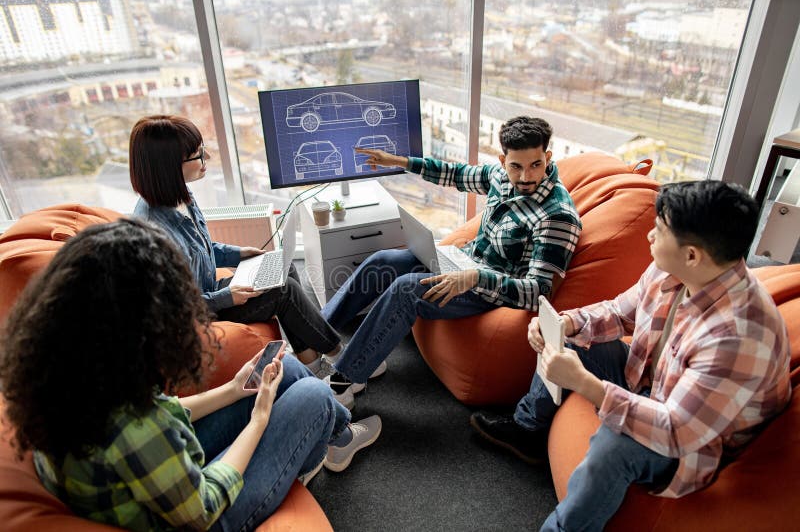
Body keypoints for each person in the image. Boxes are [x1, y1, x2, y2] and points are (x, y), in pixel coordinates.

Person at [0, 218, 381, 531]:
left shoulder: (75, 369)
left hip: (153, 481)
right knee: (313, 395)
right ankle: (324, 441)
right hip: (204, 516)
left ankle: (340, 435)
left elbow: (163, 412)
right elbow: (202, 510)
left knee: (282, 368)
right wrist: (259, 421)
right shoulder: (135, 428)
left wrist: (233, 390)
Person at [469, 180, 792, 531]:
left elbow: (675, 430)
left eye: (659, 230)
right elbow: (621, 312)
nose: (649, 237)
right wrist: (566, 324)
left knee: (615, 442)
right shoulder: (674, 269)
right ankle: (529, 430)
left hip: (696, 441)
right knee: (574, 339)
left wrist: (584, 383)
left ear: (692, 254)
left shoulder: (738, 337)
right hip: (656, 382)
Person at [322, 116, 582, 406]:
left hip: (490, 290)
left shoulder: (557, 216)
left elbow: (539, 292)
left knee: (406, 289)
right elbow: (455, 174)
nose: (525, 177)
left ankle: (345, 380)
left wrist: (475, 278)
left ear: (547, 157)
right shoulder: (500, 177)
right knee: (384, 261)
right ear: (502, 160)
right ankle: (317, 337)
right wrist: (396, 160)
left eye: (535, 164)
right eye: (515, 166)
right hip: (463, 263)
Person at [128, 115, 380, 385]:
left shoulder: (181, 196)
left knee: (283, 266)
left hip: (210, 288)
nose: (207, 157)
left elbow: (201, 248)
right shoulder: (154, 231)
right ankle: (344, 357)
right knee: (284, 290)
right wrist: (227, 297)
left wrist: (240, 253)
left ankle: (313, 364)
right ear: (169, 166)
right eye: (198, 154)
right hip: (200, 311)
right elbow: (175, 307)